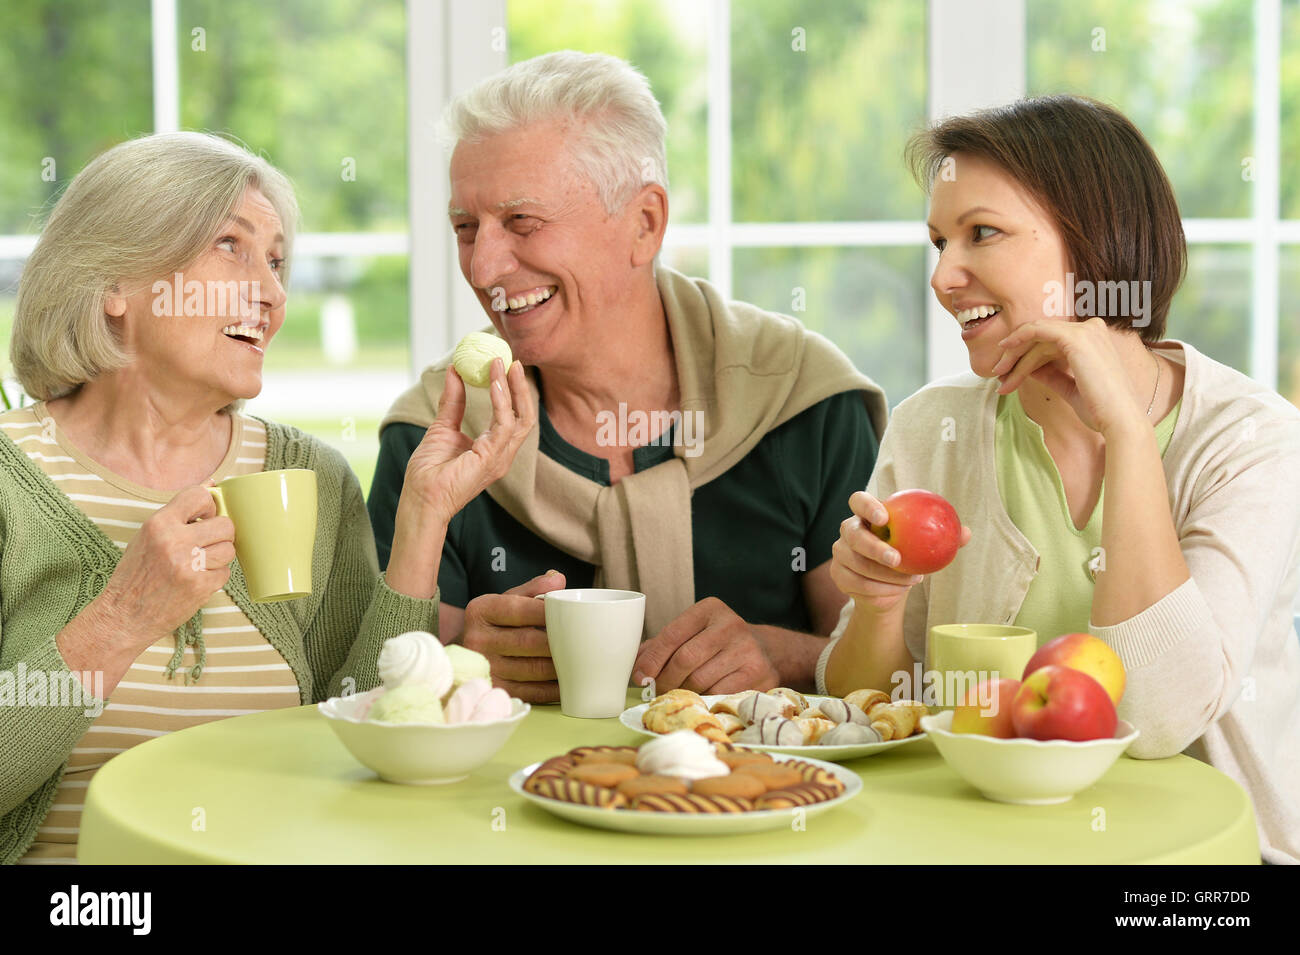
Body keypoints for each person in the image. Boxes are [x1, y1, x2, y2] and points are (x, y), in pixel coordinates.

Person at [0, 132, 533, 864]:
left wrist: (422, 523)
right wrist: (122, 620)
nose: (273, 293)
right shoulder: (10, 480)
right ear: (115, 283)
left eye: (277, 261)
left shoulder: (308, 475)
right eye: (232, 246)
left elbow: (361, 717)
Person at [823, 94, 1300, 864]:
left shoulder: (1253, 439)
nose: (945, 276)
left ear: (1096, 240)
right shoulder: (930, 427)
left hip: (1206, 876)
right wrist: (877, 607)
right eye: (939, 241)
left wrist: (1127, 435)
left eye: (983, 234)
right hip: (978, 848)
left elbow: (1161, 715)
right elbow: (859, 710)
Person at [367, 51, 887, 703]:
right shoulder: (434, 436)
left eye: (522, 222)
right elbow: (380, 696)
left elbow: (888, 672)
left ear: (644, 224)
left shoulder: (801, 401)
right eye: (466, 229)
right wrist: (458, 661)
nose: (483, 268)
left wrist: (786, 655)